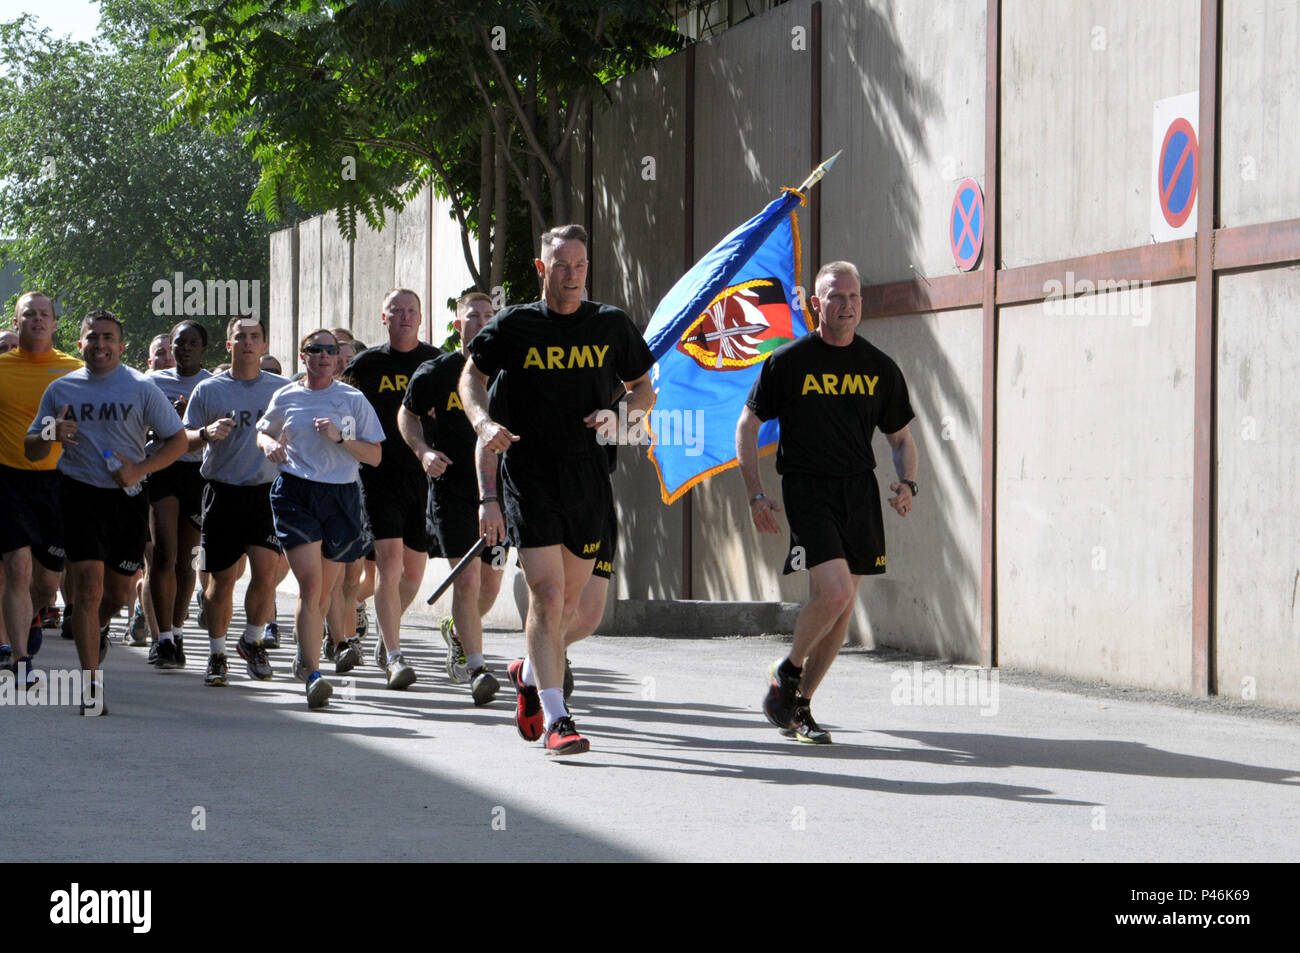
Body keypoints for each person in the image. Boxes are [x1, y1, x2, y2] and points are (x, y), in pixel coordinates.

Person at [460, 224, 654, 757]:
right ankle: (557, 719)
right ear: (542, 269)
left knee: (574, 609)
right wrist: (481, 422)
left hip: (588, 477)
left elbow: (644, 390)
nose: (571, 276)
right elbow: (470, 377)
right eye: (561, 266)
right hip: (530, 475)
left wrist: (618, 413)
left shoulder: (611, 324)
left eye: (580, 265)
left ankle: (529, 671)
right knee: (547, 596)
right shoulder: (514, 324)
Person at [736, 261, 918, 745]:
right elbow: (747, 427)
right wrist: (755, 492)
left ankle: (799, 706)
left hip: (858, 492)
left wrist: (908, 484)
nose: (847, 305)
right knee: (835, 594)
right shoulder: (789, 362)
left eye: (854, 296)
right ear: (814, 303)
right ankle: (788, 670)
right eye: (836, 296)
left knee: (841, 610)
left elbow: (901, 439)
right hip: (807, 488)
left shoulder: (879, 367)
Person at [25, 310, 188, 715]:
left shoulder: (141, 387)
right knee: (88, 587)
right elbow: (32, 446)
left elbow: (178, 440)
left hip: (127, 495)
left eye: (108, 338)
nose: (100, 345)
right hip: (77, 494)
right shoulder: (61, 388)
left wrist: (140, 468)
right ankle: (90, 683)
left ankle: (97, 629)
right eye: (92, 337)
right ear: (80, 344)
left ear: (121, 345)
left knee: (115, 593)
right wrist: (50, 433)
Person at [256, 329, 383, 709]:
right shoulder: (287, 395)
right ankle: (313, 674)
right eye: (317, 350)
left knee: (326, 590)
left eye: (332, 350)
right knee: (311, 588)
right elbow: (263, 432)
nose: (326, 356)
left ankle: (305, 650)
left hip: (340, 495)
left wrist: (340, 439)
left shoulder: (352, 399)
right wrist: (271, 445)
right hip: (296, 491)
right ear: (303, 356)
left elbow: (374, 456)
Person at [400, 291, 504, 705]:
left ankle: (458, 630)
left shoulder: (508, 368)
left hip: (500, 492)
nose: (480, 321)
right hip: (453, 491)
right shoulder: (436, 371)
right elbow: (406, 414)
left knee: (490, 588)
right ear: (458, 325)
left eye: (488, 315)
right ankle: (477, 666)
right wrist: (424, 451)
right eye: (472, 316)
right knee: (468, 577)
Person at [341, 290, 440, 690]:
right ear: (384, 318)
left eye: (411, 310)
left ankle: (384, 624)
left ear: (421, 318)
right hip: (379, 476)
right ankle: (394, 654)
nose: (404, 316)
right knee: (388, 562)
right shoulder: (366, 365)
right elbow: (343, 412)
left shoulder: (435, 363)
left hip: (424, 478)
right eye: (396, 310)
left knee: (413, 573)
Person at [183, 316, 287, 686]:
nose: (247, 342)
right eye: (240, 337)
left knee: (266, 573)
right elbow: (184, 440)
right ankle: (216, 653)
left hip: (266, 493)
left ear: (263, 346)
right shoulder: (209, 390)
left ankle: (254, 642)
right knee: (221, 579)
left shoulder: (281, 389)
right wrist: (206, 433)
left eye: (254, 337)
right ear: (229, 346)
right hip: (222, 491)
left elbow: (299, 433)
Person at [0, 291, 82, 687]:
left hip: (59, 482)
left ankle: (32, 615)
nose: (36, 319)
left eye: (43, 314)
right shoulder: (1, 367)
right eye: (27, 314)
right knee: (16, 566)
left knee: (48, 582)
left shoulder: (75, 369)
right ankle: (20, 661)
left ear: (53, 323)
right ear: (15, 323)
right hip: (8, 479)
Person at [145, 320, 211, 669]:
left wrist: (193, 425)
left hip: (198, 473)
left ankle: (179, 629)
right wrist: (167, 423)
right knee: (163, 554)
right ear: (170, 347)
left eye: (192, 343)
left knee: (187, 560)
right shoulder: (154, 382)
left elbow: (221, 429)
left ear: (203, 348)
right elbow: (137, 424)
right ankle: (163, 638)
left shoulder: (212, 384)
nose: (184, 348)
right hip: (163, 468)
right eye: (179, 342)